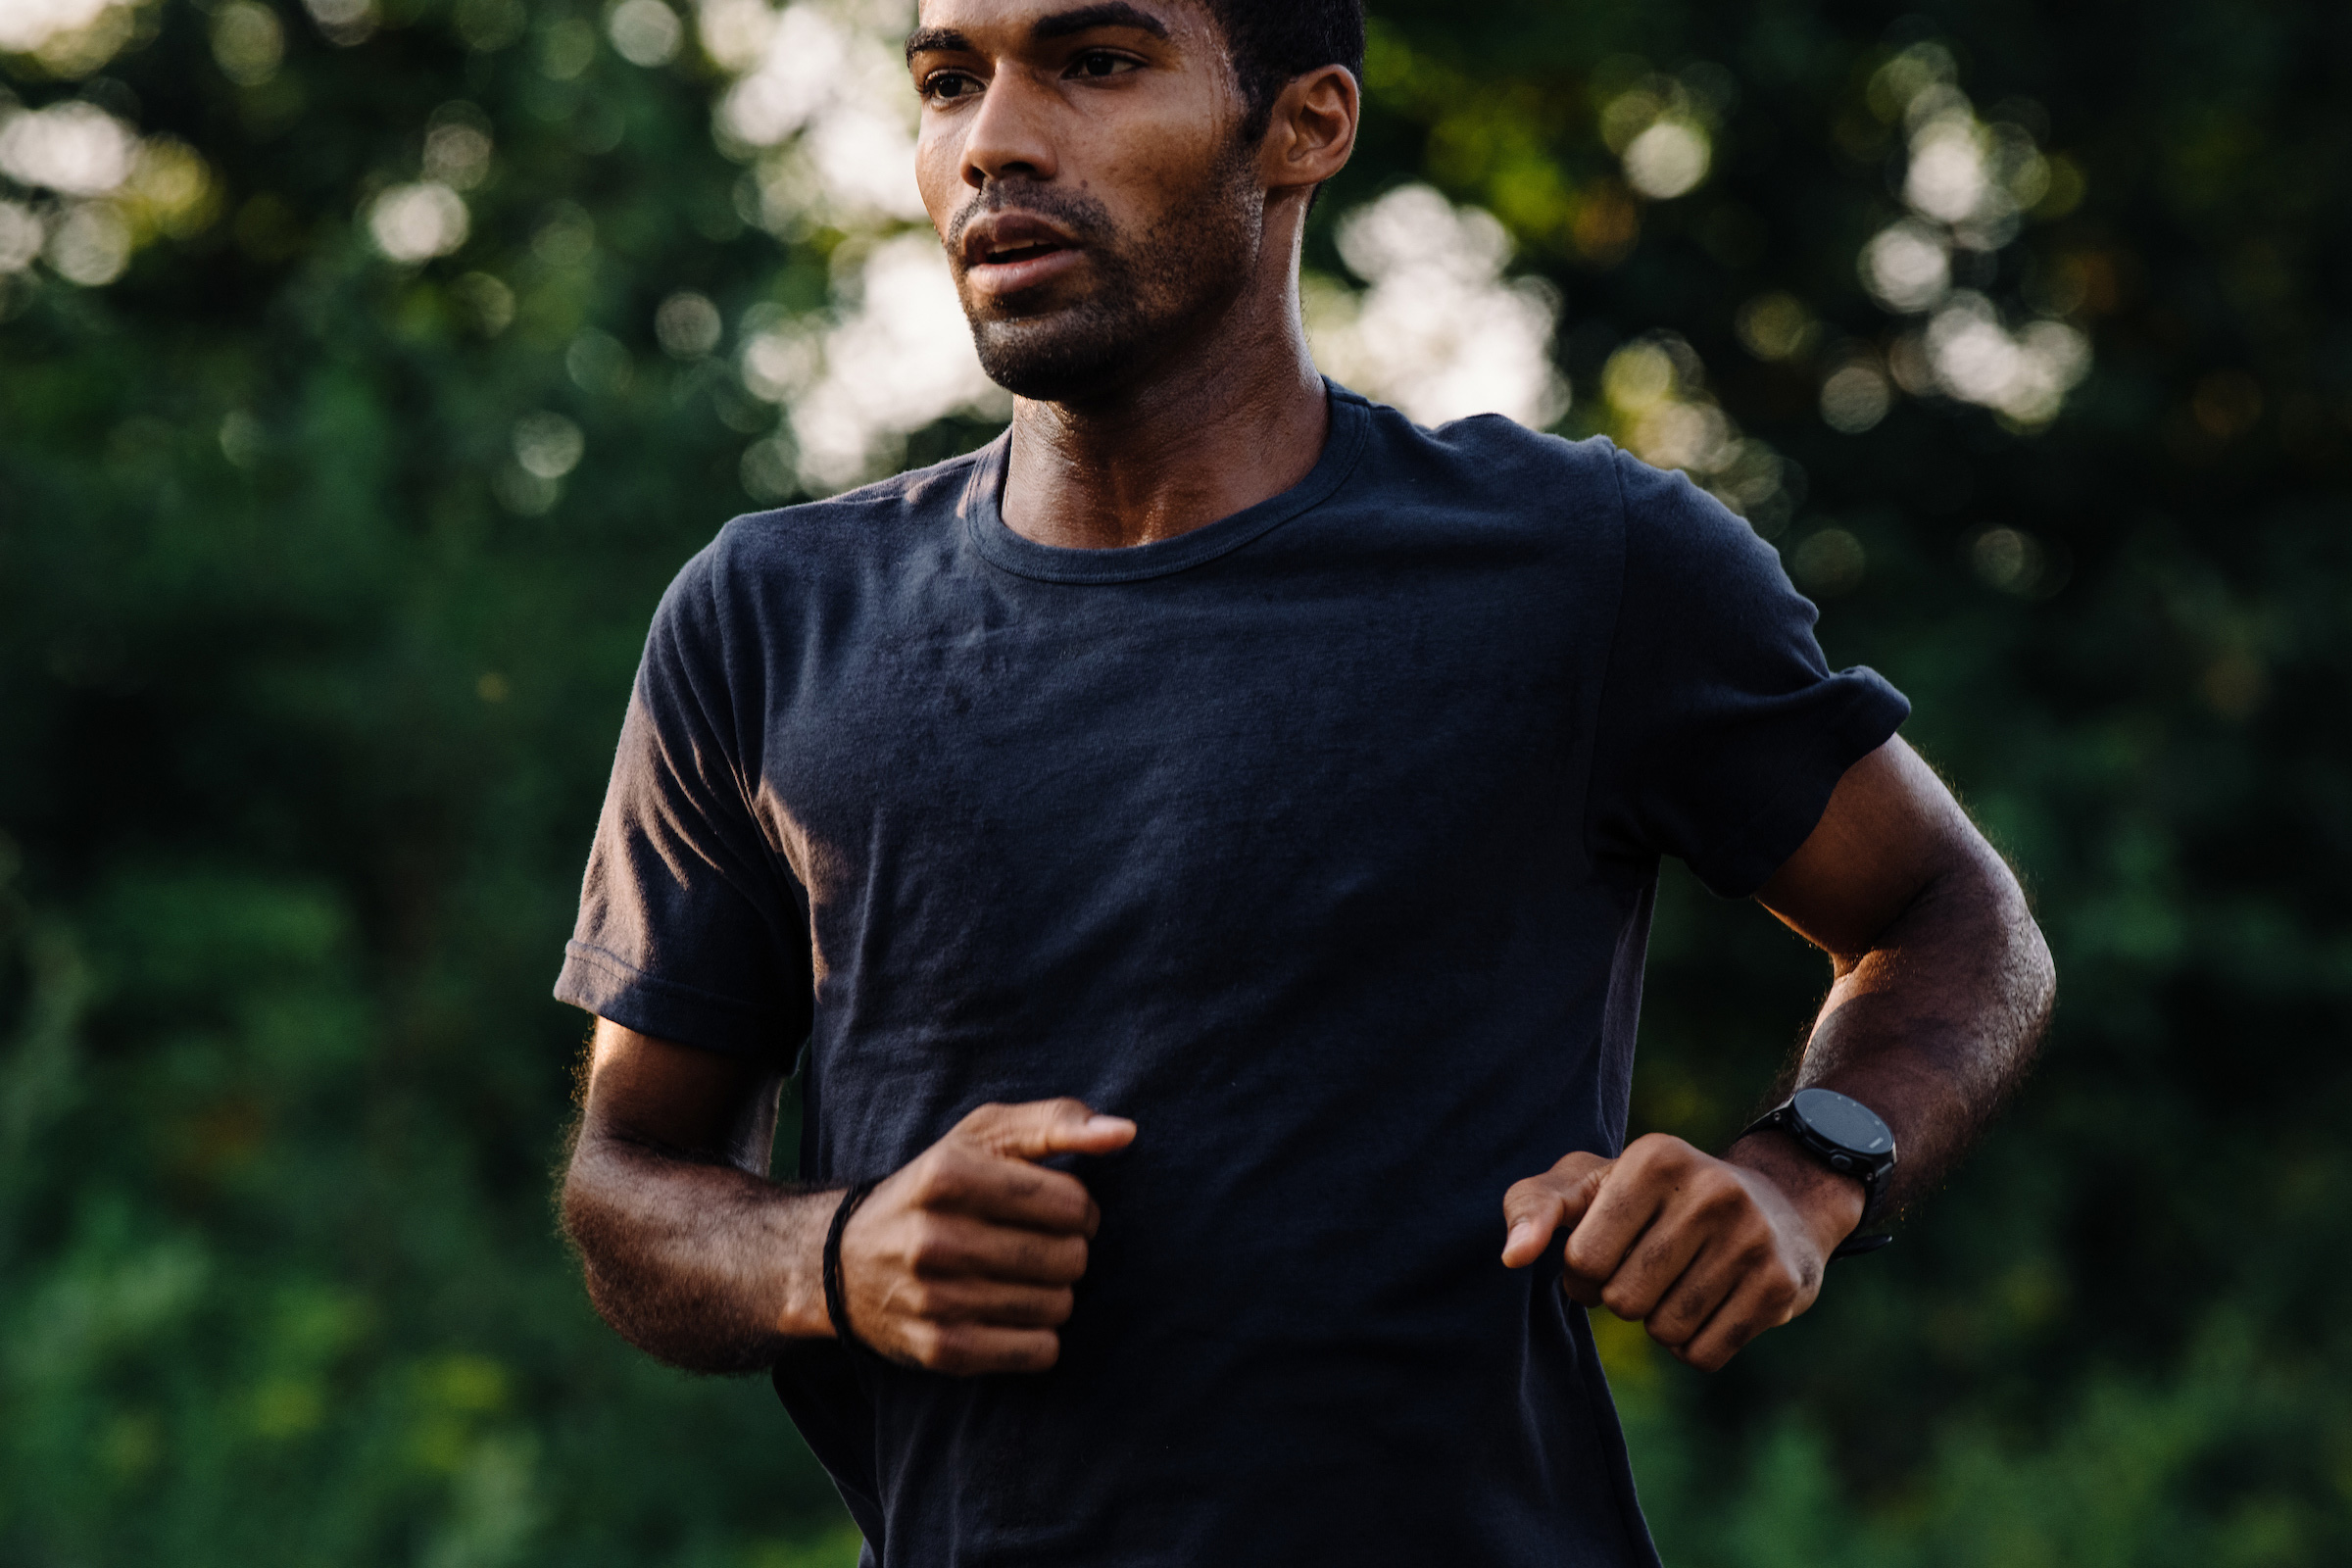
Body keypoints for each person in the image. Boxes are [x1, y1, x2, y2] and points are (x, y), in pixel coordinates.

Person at [554, 0, 2055, 1562]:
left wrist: (1804, 1174)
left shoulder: (1583, 567)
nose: (992, 139)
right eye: (948, 81)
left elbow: (1951, 910)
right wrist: (839, 1253)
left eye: (1096, 62)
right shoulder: (768, 620)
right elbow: (629, 1185)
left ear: (1305, 127)